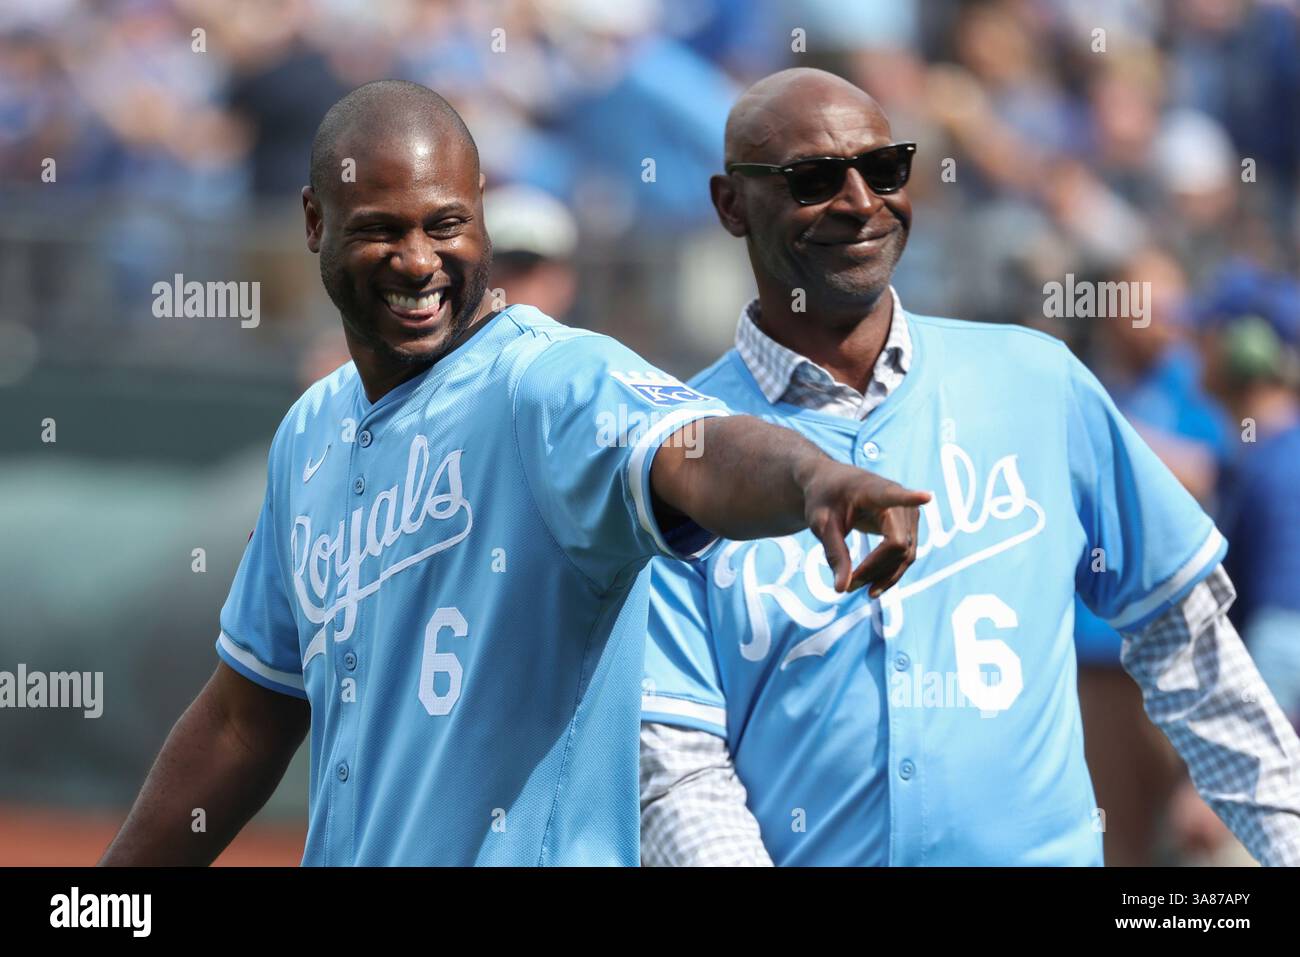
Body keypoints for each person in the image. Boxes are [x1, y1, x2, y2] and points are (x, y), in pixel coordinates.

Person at [98, 80, 927, 867]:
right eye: (383, 229)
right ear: (316, 220)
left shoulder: (548, 380)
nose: (419, 261)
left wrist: (812, 478)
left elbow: (695, 450)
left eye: (447, 224)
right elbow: (246, 719)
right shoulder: (310, 429)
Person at [639, 68, 1300, 866]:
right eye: (813, 180)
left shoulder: (1038, 381)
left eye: (885, 170)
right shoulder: (677, 453)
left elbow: (1186, 643)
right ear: (730, 204)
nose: (859, 202)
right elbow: (677, 766)